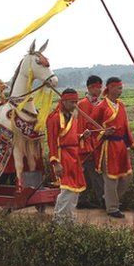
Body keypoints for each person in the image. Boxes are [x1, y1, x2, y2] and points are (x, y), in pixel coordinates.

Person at [90, 77, 134, 218]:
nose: (120, 91)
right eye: (118, 88)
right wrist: (103, 133)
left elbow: (126, 127)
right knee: (111, 178)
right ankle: (112, 208)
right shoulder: (101, 107)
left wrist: (132, 143)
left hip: (121, 146)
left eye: (121, 88)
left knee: (127, 177)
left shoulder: (121, 105)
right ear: (110, 87)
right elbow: (91, 127)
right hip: (107, 146)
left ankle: (108, 199)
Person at [47, 89, 91, 223]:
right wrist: (56, 162)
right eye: (72, 102)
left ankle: (70, 219)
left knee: (74, 191)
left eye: (76, 102)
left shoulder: (72, 117)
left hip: (73, 156)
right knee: (67, 190)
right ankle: (59, 220)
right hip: (63, 156)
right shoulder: (54, 118)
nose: (75, 105)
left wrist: (82, 136)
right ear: (64, 101)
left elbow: (71, 138)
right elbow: (52, 142)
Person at [77, 75, 104, 209]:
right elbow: (81, 127)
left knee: (87, 175)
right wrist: (85, 143)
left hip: (98, 143)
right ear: (89, 88)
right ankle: (103, 200)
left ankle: (81, 199)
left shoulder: (99, 103)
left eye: (100, 87)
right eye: (96, 88)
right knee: (96, 174)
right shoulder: (83, 104)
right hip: (88, 145)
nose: (99, 90)